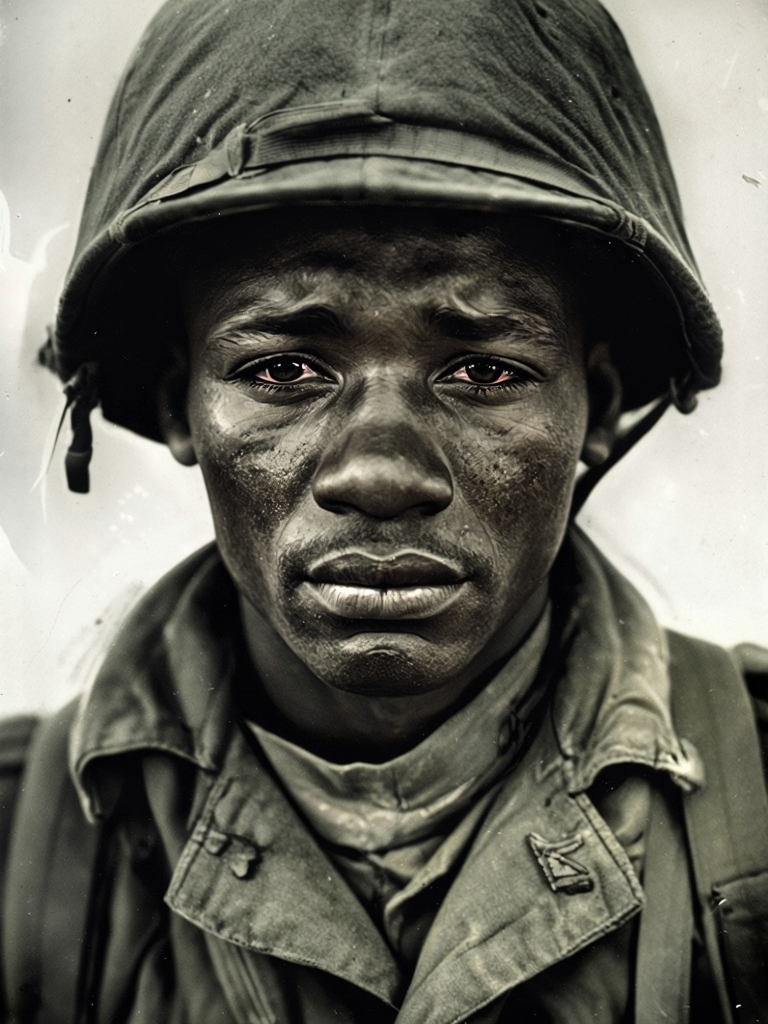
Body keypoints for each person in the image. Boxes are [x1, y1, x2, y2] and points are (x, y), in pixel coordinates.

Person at [1, 0, 766, 1021]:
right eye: (283, 367)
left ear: (598, 403)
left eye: (484, 369)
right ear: (184, 397)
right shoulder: (19, 845)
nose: (379, 472)